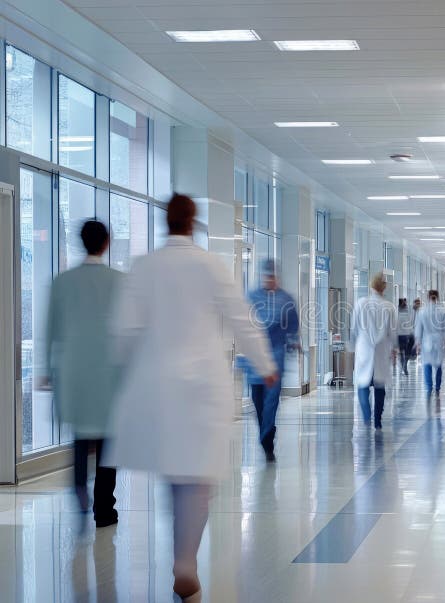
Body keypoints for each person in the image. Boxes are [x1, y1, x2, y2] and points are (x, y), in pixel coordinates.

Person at [105, 194, 278, 602]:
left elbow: (122, 331)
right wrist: (264, 364)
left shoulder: (144, 266)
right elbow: (241, 319)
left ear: (166, 221)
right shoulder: (209, 265)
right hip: (202, 384)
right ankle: (186, 559)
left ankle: (180, 556)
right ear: (192, 221)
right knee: (198, 477)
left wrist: (124, 368)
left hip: (157, 385)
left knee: (174, 470)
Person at [42, 220, 121, 531]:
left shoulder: (62, 282)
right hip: (109, 373)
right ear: (106, 243)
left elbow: (51, 330)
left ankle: (78, 490)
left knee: (80, 435)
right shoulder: (119, 282)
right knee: (108, 441)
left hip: (74, 372)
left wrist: (47, 371)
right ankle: (105, 509)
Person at [243, 259, 299, 462]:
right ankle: (266, 431)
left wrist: (293, 341)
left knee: (272, 400)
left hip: (275, 358)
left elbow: (293, 326)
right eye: (267, 276)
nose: (270, 279)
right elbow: (244, 328)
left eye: (273, 276)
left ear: (277, 277)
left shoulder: (286, 299)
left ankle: (267, 438)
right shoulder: (251, 297)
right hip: (255, 360)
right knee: (258, 401)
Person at [351, 273, 397, 430]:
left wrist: (355, 344)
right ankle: (377, 419)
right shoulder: (389, 307)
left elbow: (354, 329)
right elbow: (392, 332)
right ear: (384, 287)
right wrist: (394, 349)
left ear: (371, 286)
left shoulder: (361, 303)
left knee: (362, 385)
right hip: (381, 350)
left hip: (364, 348)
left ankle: (366, 416)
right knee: (379, 386)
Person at [415, 290, 445, 400]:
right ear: (438, 297)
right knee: (438, 365)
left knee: (427, 364)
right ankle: (437, 387)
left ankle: (429, 387)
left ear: (427, 297)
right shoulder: (442, 312)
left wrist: (418, 342)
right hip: (439, 340)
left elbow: (418, 329)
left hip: (427, 341)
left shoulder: (422, 312)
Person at [397, 298, 415, 376]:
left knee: (401, 352)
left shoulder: (396, 314)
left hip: (399, 336)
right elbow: (411, 326)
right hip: (407, 335)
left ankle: (403, 366)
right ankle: (405, 365)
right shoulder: (408, 314)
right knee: (407, 352)